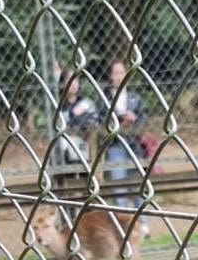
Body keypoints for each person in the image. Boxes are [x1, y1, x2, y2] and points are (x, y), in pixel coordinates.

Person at [105, 60, 151, 236]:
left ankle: (143, 224)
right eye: (115, 73)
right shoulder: (105, 98)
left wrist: (134, 118)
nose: (118, 76)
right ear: (110, 76)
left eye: (121, 72)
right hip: (115, 145)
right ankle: (123, 227)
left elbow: (143, 119)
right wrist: (117, 118)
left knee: (139, 185)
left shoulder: (134, 98)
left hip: (134, 145)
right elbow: (100, 119)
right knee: (119, 188)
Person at [56, 71, 99, 171]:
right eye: (69, 80)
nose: (74, 83)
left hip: (87, 141)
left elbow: (94, 121)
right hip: (67, 143)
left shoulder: (87, 102)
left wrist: (74, 117)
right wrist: (74, 114)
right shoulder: (59, 106)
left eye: (75, 80)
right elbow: (62, 125)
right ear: (63, 84)